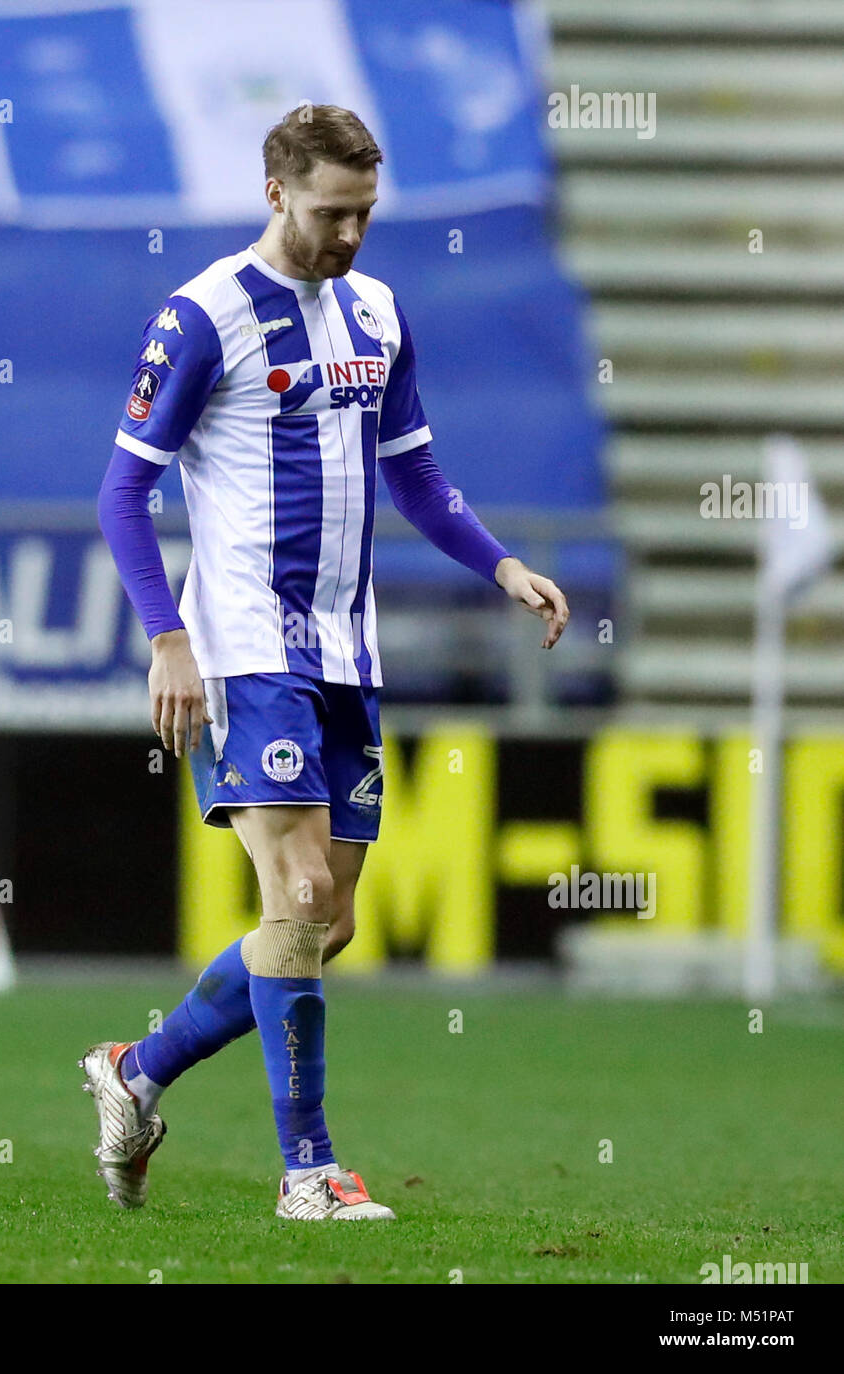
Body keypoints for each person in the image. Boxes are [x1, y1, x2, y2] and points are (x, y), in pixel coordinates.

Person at [86, 103, 569, 1221]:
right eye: (329, 213)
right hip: (245, 649)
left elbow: (416, 474)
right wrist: (170, 638)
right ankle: (309, 1172)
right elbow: (122, 489)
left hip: (345, 650)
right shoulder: (203, 314)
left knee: (321, 924)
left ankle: (135, 1071)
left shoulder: (379, 312)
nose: (349, 236)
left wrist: (498, 565)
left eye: (364, 216)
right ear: (275, 193)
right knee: (298, 894)